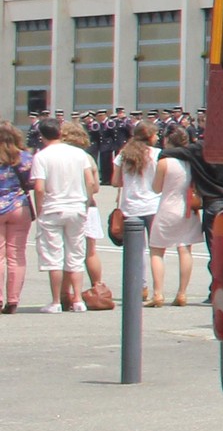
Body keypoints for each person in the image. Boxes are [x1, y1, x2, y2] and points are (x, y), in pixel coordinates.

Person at [31, 118, 100, 314]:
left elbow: (39, 187)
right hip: (77, 207)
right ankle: (78, 299)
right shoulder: (79, 154)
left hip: (53, 207)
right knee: (76, 254)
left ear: (42, 136)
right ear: (60, 132)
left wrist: (40, 209)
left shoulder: (41, 156)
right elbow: (89, 181)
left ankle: (56, 301)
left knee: (54, 256)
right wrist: (85, 203)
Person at [114, 119, 166, 306]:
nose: (158, 137)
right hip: (153, 204)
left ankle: (140, 287)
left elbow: (114, 181)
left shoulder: (123, 154)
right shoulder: (157, 154)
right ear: (150, 137)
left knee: (137, 250)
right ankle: (158, 292)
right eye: (156, 134)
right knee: (156, 251)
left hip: (131, 205)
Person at [148, 140, 203, 304]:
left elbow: (156, 188)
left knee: (157, 250)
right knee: (185, 249)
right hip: (188, 208)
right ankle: (182, 293)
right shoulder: (194, 161)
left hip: (168, 207)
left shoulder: (164, 162)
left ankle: (158, 293)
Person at [0, 125, 32, 314]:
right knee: (17, 255)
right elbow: (32, 182)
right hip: (19, 206)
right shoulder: (24, 157)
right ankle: (13, 300)